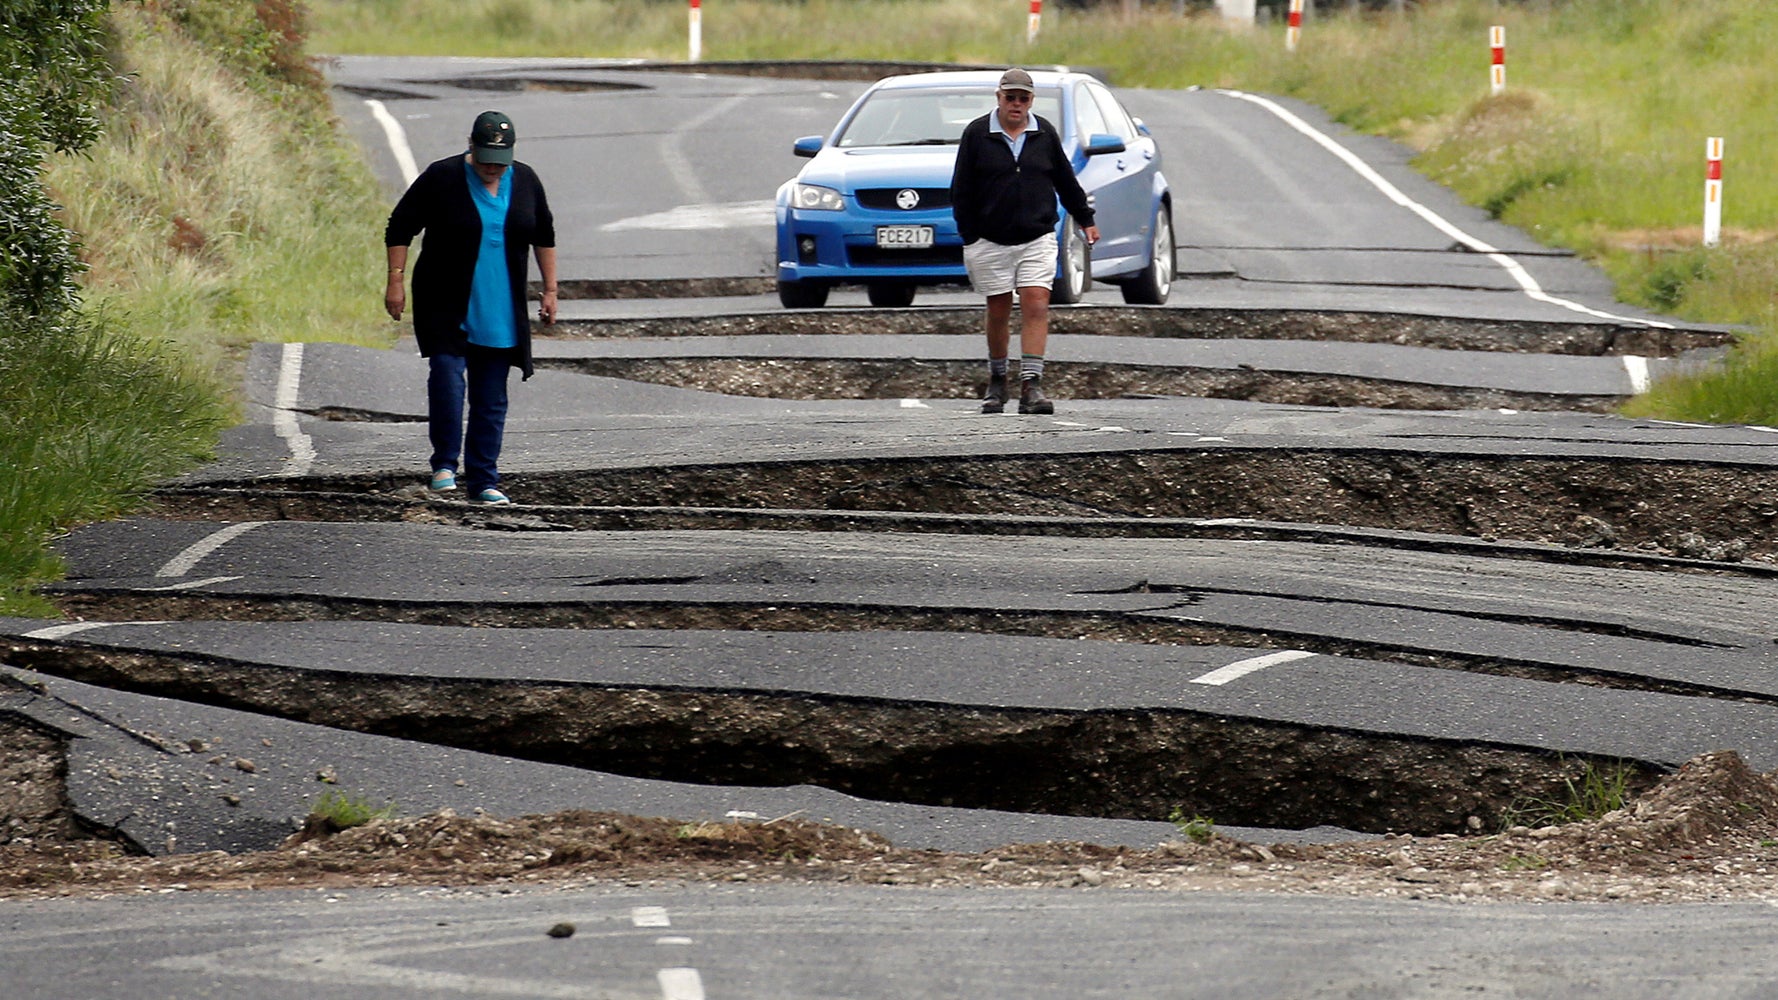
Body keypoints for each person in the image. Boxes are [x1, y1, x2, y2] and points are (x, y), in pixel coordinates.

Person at [384, 109, 557, 505]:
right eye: (485, 160)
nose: (492, 168)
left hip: (500, 303)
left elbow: (544, 235)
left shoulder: (526, 180)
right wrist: (395, 281)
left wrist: (550, 290)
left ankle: (484, 479)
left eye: (500, 162)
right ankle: (444, 464)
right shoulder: (442, 177)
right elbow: (400, 226)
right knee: (446, 375)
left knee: (491, 394)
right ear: (471, 148)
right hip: (445, 299)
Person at [950, 68, 1099, 415]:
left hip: (1037, 236)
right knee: (999, 308)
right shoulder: (976, 134)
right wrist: (969, 234)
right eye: (1010, 97)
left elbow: (1065, 179)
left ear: (1031, 101)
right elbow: (961, 189)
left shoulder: (1043, 133)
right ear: (998, 98)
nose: (1016, 105)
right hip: (988, 239)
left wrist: (1086, 219)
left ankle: (1032, 385)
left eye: (1023, 98)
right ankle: (997, 381)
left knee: (1036, 303)